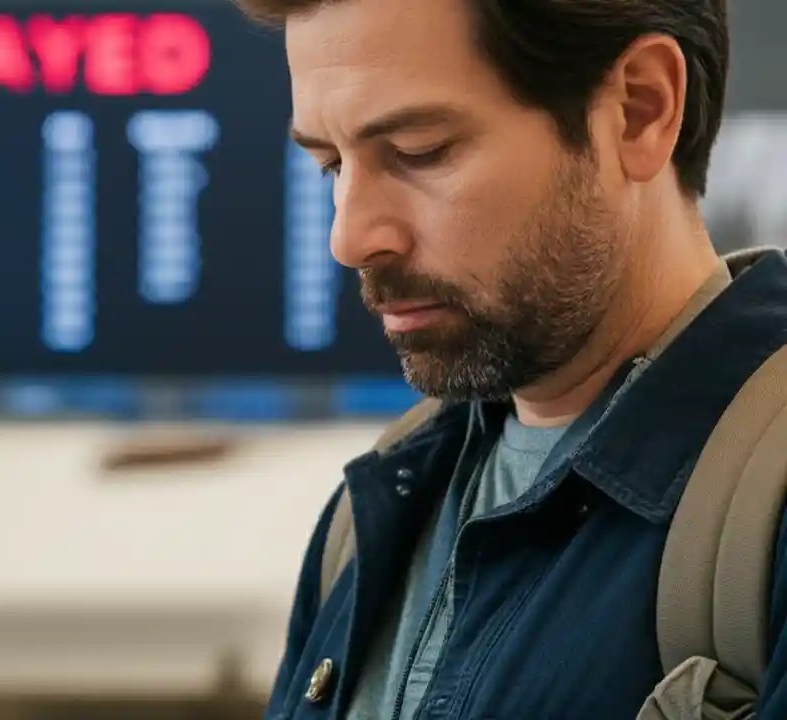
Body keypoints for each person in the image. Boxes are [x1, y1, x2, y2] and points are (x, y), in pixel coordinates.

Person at [230, 0, 787, 717]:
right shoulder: (375, 513)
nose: (350, 236)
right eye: (330, 165)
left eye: (419, 151)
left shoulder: (763, 520)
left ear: (640, 109)